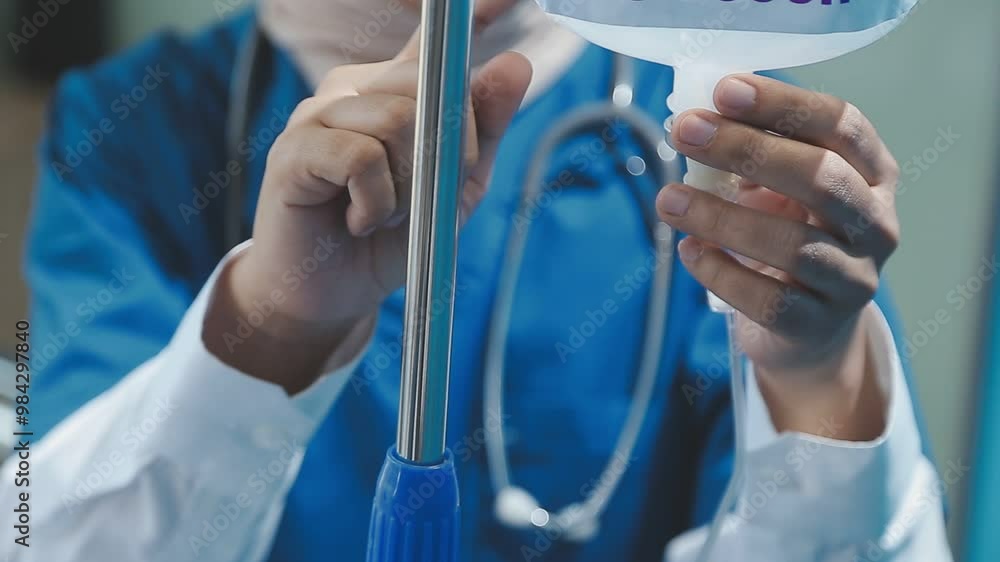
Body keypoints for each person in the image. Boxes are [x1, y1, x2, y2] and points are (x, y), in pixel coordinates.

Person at [0, 0, 953, 560]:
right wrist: (271, 325)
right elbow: (41, 533)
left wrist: (818, 379)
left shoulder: (714, 132)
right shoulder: (137, 131)